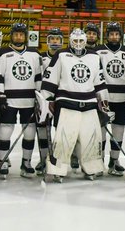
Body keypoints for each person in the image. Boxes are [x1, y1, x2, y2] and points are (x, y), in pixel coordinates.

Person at [41, 28, 108, 182]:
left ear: (85, 41)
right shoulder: (61, 55)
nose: (78, 44)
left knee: (91, 138)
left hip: (89, 104)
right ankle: (58, 169)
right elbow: (50, 79)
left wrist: (105, 103)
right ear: (70, 41)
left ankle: (91, 168)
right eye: (75, 41)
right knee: (64, 138)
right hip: (66, 103)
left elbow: (99, 82)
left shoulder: (94, 56)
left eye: (81, 41)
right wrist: (46, 100)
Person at [0, 22, 43, 177]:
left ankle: (26, 163)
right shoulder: (2, 53)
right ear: (11, 36)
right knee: (5, 130)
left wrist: (39, 97)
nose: (18, 37)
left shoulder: (34, 54)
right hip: (9, 100)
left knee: (30, 132)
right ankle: (2, 162)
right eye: (16, 34)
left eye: (21, 34)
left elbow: (38, 77)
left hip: (29, 100)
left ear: (25, 37)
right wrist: (0, 96)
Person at [97, 22, 125, 175]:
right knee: (101, 132)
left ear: (121, 36)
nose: (114, 37)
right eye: (111, 34)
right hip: (102, 98)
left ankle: (114, 160)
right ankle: (98, 161)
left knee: (118, 132)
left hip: (122, 99)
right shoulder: (98, 51)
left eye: (116, 34)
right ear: (107, 35)